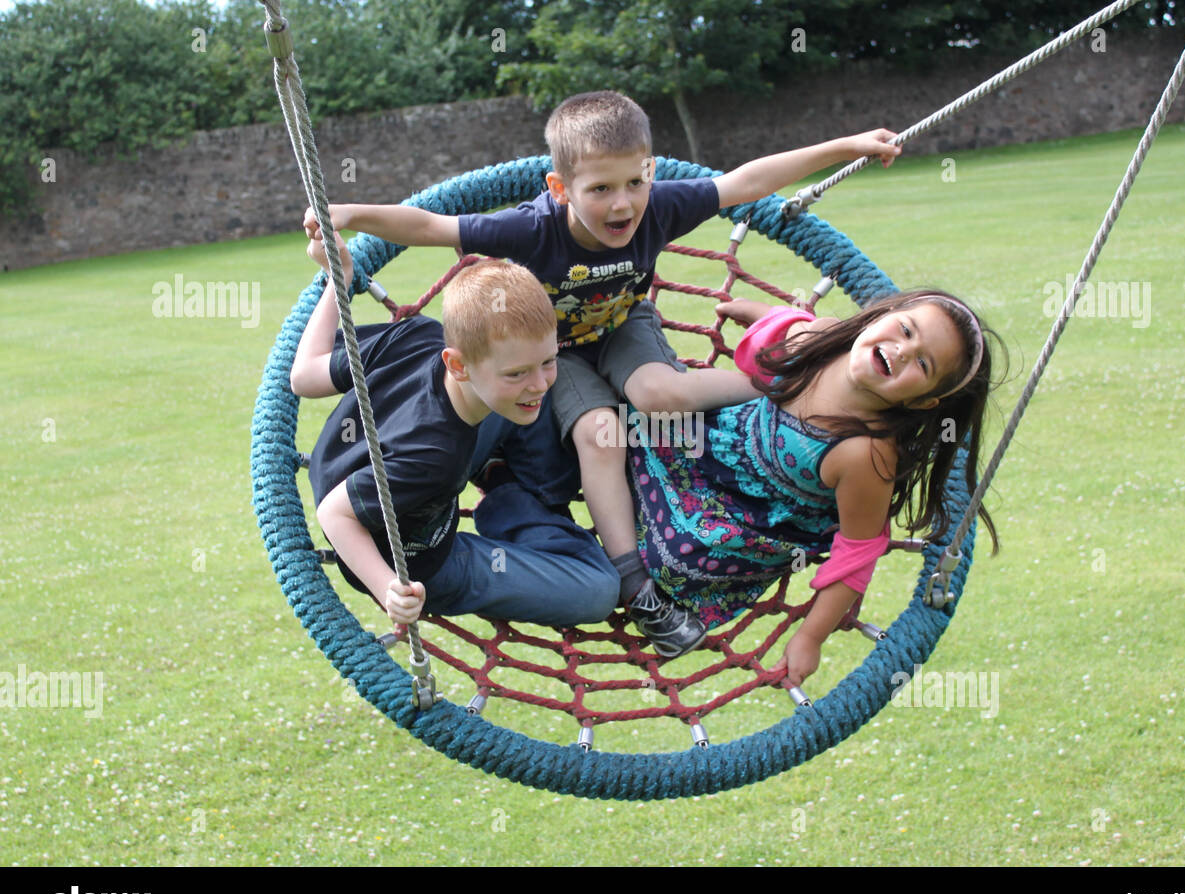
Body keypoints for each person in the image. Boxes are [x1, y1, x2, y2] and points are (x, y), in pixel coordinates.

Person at [301, 89, 903, 659]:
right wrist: (349, 213)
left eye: (636, 181)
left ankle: (790, 377)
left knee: (657, 393)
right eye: (600, 189)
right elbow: (434, 227)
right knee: (598, 433)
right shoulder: (530, 228)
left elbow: (745, 181)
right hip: (553, 355)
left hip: (623, 326)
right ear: (560, 188)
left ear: (651, 173)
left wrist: (846, 145)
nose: (623, 203)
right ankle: (635, 583)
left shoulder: (659, 206)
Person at [626, 291, 1000, 685]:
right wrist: (758, 314)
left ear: (924, 402)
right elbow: (787, 330)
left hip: (747, 517)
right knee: (639, 412)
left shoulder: (864, 454)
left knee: (677, 560)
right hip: (714, 444)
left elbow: (857, 553)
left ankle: (623, 541)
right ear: (881, 316)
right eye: (905, 329)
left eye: (923, 363)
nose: (903, 350)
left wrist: (810, 636)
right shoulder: (823, 341)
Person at [291, 235, 619, 631]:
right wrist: (387, 587)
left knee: (529, 395)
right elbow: (334, 512)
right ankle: (517, 504)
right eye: (517, 372)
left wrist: (337, 280)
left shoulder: (419, 335)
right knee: (598, 590)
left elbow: (305, 375)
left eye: (546, 360)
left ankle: (515, 480)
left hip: (400, 456)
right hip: (423, 556)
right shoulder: (433, 457)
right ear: (457, 364)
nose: (538, 382)